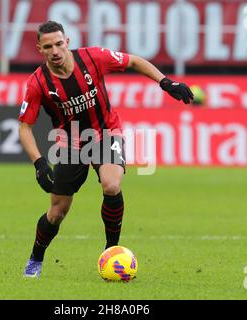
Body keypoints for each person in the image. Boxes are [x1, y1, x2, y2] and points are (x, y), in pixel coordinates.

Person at [18, 21, 194, 278]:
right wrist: (39, 163)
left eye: (58, 44)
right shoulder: (37, 83)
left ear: (67, 42)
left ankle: (112, 250)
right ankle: (36, 258)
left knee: (111, 185)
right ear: (40, 49)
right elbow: (25, 127)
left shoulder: (93, 57)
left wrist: (166, 82)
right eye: (48, 47)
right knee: (57, 212)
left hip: (106, 133)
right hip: (70, 144)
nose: (55, 51)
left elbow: (133, 61)